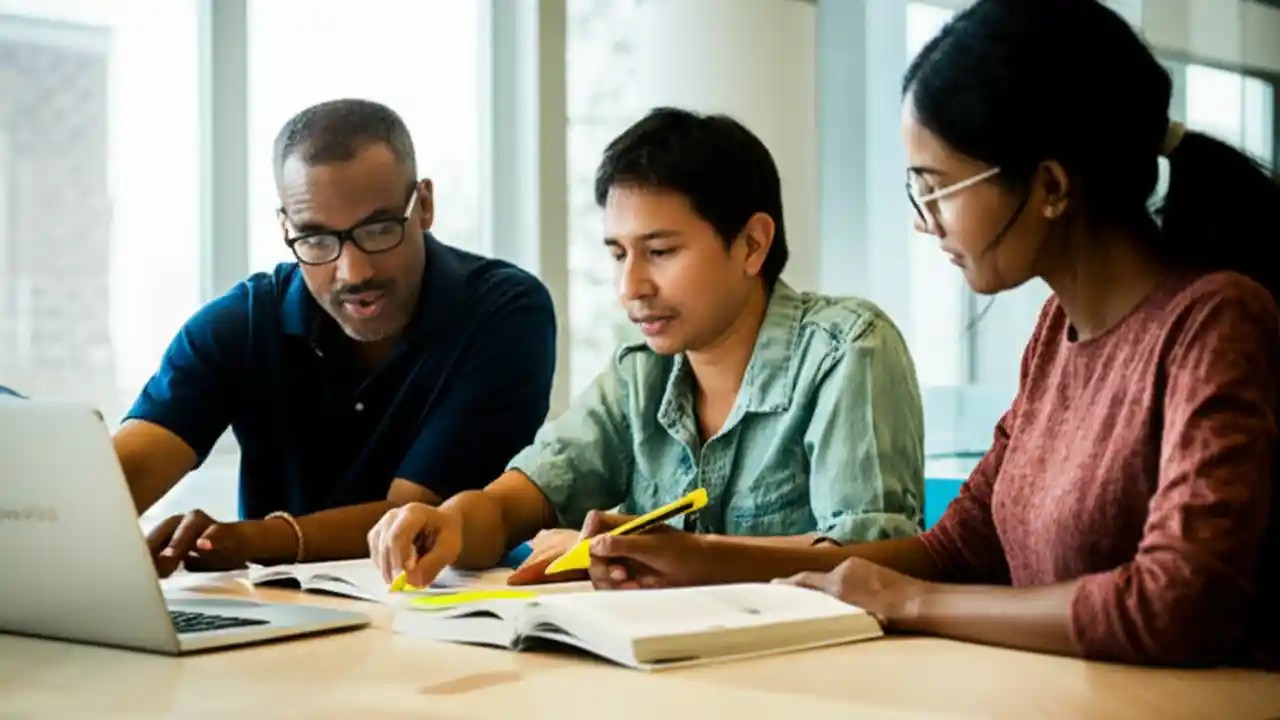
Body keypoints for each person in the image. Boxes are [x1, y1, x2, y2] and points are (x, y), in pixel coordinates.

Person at [572, 0, 1280, 669]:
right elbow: (952, 549)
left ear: (1051, 187)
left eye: (935, 186)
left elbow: (1176, 602)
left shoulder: (1215, 322)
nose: (923, 218)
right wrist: (702, 558)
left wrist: (914, 604)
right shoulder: (1056, 335)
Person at [368, 107, 925, 588]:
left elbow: (872, 561)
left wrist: (685, 557)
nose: (631, 287)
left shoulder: (846, 350)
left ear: (753, 244)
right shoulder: (640, 375)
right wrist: (451, 523)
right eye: (617, 255)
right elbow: (517, 501)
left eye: (659, 252)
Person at [118, 99, 556, 578]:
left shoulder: (505, 311)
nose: (354, 271)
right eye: (316, 239)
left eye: (378, 229)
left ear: (424, 205)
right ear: (285, 227)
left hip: (448, 608)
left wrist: (252, 539)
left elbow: (413, 523)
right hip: (281, 616)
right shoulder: (244, 322)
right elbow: (122, 479)